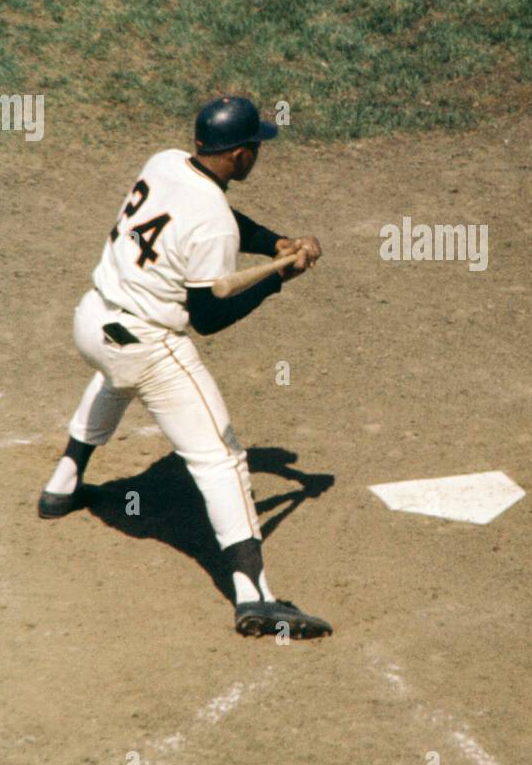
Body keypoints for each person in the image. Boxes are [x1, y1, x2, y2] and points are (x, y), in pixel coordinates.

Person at [38, 95, 332, 641]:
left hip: (92, 321)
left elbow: (213, 213)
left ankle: (64, 482)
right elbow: (210, 316)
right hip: (148, 345)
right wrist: (278, 277)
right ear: (240, 155)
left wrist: (275, 243)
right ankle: (255, 596)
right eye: (256, 146)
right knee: (222, 458)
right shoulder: (213, 225)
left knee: (115, 375)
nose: (258, 154)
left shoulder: (166, 161)